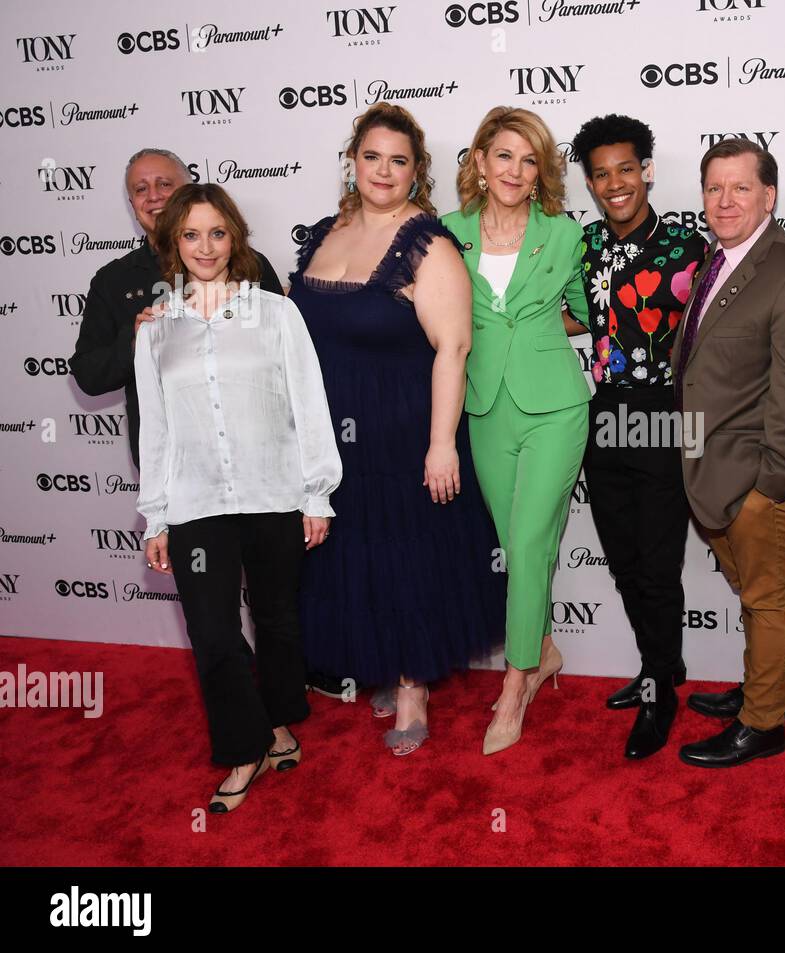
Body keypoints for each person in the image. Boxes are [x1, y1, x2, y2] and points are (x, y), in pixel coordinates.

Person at [290, 102, 505, 756]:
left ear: (417, 172)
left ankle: (414, 690)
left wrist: (441, 445)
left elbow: (454, 347)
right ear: (353, 162)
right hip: (333, 434)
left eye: (399, 161)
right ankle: (382, 665)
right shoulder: (325, 232)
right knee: (357, 558)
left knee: (409, 558)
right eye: (372, 156)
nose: (383, 171)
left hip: (403, 428)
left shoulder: (427, 241)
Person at [136, 183, 341, 813]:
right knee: (213, 633)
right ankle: (242, 747)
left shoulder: (276, 314)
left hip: (272, 491)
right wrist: (156, 515)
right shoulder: (155, 329)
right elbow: (158, 429)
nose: (205, 246)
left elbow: (309, 402)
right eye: (191, 235)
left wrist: (317, 493)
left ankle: (279, 721)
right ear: (173, 243)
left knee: (277, 619)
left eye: (217, 233)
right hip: (196, 504)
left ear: (236, 239)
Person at [673, 139, 785, 769]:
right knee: (752, 597)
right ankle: (756, 692)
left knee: (767, 600)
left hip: (759, 482)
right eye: (714, 188)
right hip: (710, 474)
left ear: (770, 195)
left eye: (741, 188)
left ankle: (764, 724)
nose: (724, 200)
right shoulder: (719, 263)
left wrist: (770, 485)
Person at [441, 106, 590, 755]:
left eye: (530, 161)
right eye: (504, 155)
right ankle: (547, 647)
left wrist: (530, 337)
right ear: (479, 162)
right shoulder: (446, 233)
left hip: (555, 405)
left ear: (541, 174)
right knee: (517, 547)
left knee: (529, 543)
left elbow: (587, 315)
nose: (516, 170)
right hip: (482, 409)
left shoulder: (563, 235)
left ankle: (515, 683)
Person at [570, 114, 708, 759]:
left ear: (646, 170)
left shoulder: (689, 245)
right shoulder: (585, 245)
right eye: (601, 174)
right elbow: (565, 313)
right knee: (624, 559)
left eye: (626, 168)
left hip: (664, 414)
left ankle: (660, 688)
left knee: (657, 564)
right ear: (590, 182)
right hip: (604, 414)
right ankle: (664, 664)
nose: (615, 183)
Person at [71, 148, 282, 467]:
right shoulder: (113, 281)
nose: (154, 197)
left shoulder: (249, 266)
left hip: (256, 454)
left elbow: (285, 359)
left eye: (164, 184)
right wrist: (135, 341)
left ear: (189, 190)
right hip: (171, 466)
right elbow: (88, 374)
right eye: (141, 189)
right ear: (132, 206)